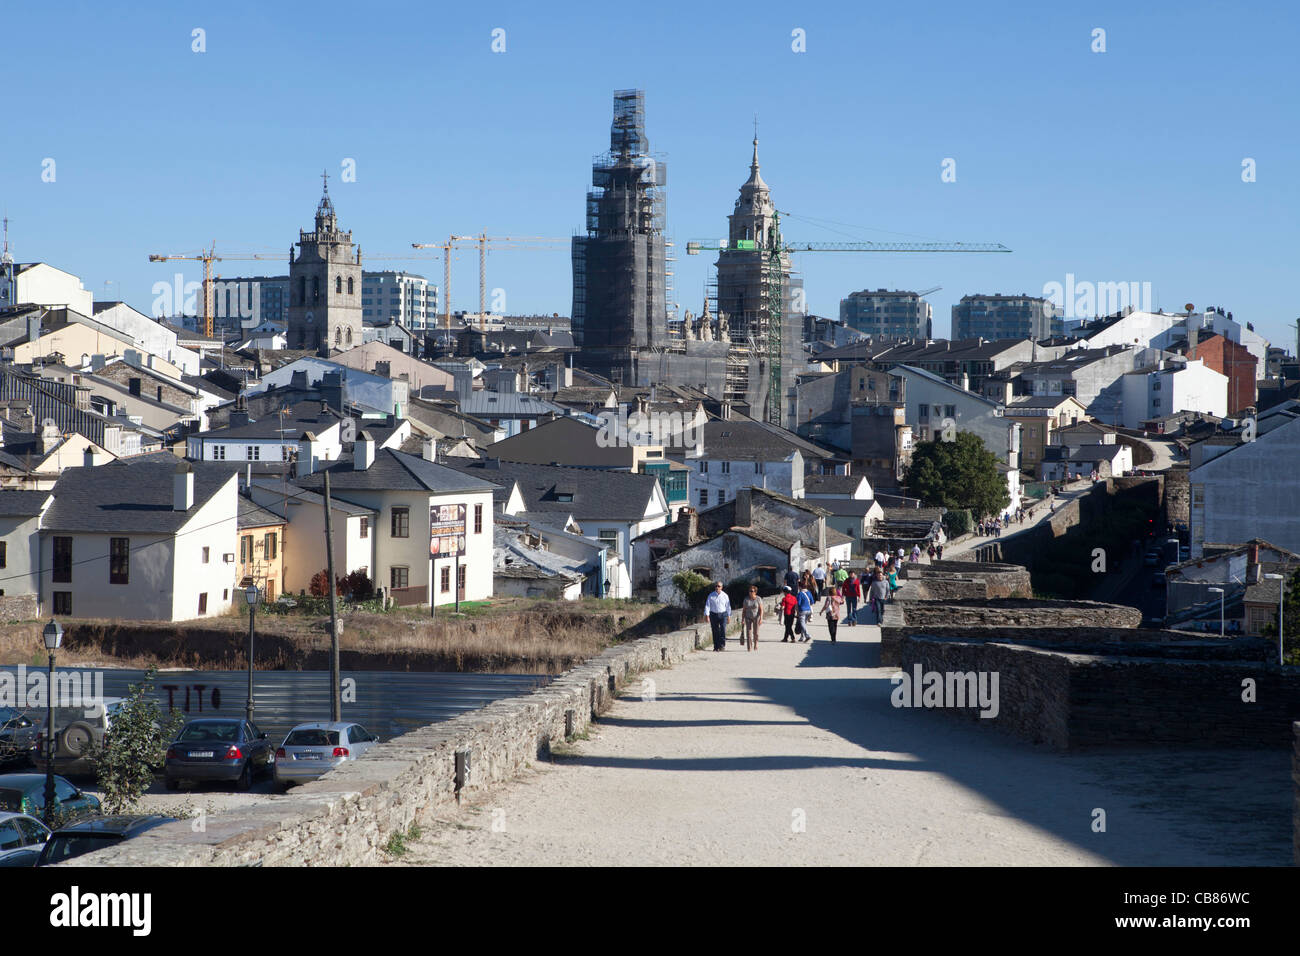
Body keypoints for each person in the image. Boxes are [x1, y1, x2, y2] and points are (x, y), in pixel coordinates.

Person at [703, 581, 731, 652]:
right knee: (715, 631)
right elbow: (707, 605)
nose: (717, 587)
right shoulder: (711, 595)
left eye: (719, 586)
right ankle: (716, 646)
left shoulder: (725, 596)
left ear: (721, 587)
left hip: (723, 614)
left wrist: (729, 616)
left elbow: (728, 606)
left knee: (722, 630)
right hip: (713, 614)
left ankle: (722, 645)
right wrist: (707, 615)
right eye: (716, 586)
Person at [741, 585, 763, 652]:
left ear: (755, 592)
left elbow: (761, 610)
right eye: (749, 591)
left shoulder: (758, 599)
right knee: (748, 632)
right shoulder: (746, 599)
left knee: (756, 632)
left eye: (752, 591)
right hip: (748, 617)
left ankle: (755, 644)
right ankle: (749, 647)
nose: (750, 592)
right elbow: (744, 610)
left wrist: (761, 618)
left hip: (756, 617)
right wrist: (742, 619)